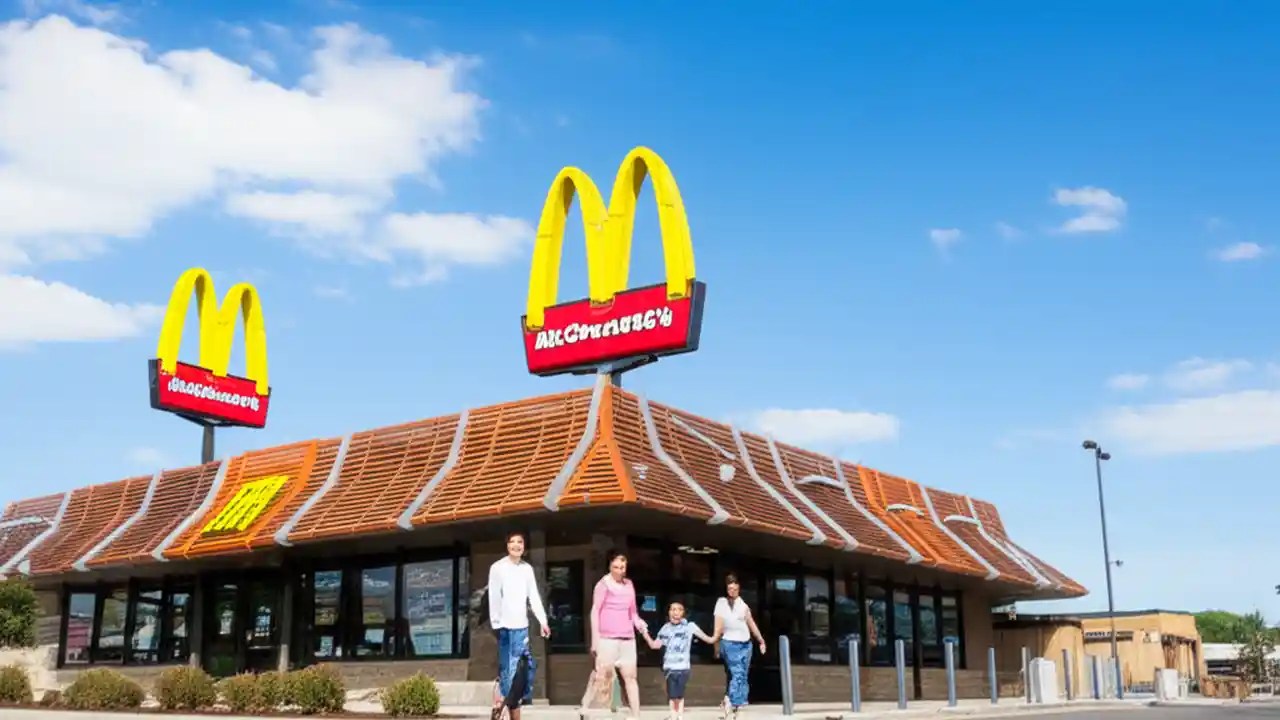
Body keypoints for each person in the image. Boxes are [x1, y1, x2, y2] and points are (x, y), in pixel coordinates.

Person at [579, 551, 651, 720]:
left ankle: (636, 715)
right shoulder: (603, 585)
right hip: (607, 638)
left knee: (630, 677)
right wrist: (595, 640)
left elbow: (633, 613)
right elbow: (595, 611)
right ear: (610, 566)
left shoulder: (629, 585)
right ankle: (585, 706)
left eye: (622, 567)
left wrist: (641, 627)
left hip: (627, 638)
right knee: (599, 674)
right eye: (616, 567)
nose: (619, 570)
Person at [488, 531, 550, 720]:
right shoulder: (498, 568)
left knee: (524, 672)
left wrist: (543, 621)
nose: (516, 545)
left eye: (520, 542)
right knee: (508, 671)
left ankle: (507, 707)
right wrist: (496, 623)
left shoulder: (527, 569)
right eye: (512, 542)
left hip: (521, 628)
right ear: (507, 545)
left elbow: (534, 596)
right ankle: (502, 708)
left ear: (524, 546)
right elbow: (494, 596)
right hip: (504, 627)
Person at [647, 600, 719, 720]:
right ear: (669, 612)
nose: (676, 612)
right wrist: (645, 633)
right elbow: (655, 645)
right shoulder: (665, 628)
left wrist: (717, 635)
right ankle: (673, 715)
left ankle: (679, 715)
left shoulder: (690, 627)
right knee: (672, 694)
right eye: (673, 609)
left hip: (683, 667)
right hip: (670, 667)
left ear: (684, 613)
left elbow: (708, 639)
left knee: (679, 694)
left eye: (679, 610)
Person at [713, 573, 766, 718]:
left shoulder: (743, 605)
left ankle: (731, 702)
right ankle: (736, 702)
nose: (732, 592)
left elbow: (751, 623)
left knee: (741, 674)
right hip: (729, 643)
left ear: (739, 588)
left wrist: (761, 640)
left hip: (745, 644)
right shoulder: (721, 603)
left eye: (735, 589)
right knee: (737, 673)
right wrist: (715, 644)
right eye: (730, 589)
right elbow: (718, 626)